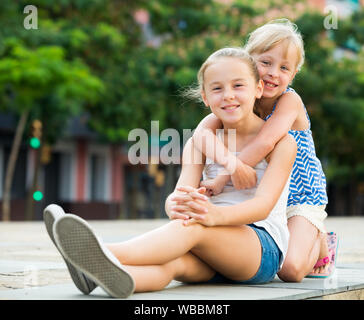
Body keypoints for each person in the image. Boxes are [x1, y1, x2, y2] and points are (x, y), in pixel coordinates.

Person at [43, 47, 296, 298]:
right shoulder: (198, 144)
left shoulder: (281, 144)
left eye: (238, 86)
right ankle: (96, 276)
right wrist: (173, 204)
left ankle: (98, 252)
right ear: (205, 97)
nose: (228, 95)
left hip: (260, 248)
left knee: (193, 226)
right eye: (217, 89)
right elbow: (180, 196)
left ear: (258, 89)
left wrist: (213, 215)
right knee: (173, 264)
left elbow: (262, 206)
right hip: (208, 237)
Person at [191, 19, 337, 280]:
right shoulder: (241, 98)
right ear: (249, 62)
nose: (273, 73)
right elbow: (201, 133)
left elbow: (265, 142)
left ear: (292, 75)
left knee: (290, 271)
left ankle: (321, 238)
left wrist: (224, 176)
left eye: (284, 68)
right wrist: (227, 162)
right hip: (263, 198)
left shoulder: (289, 100)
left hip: (300, 196)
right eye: (266, 62)